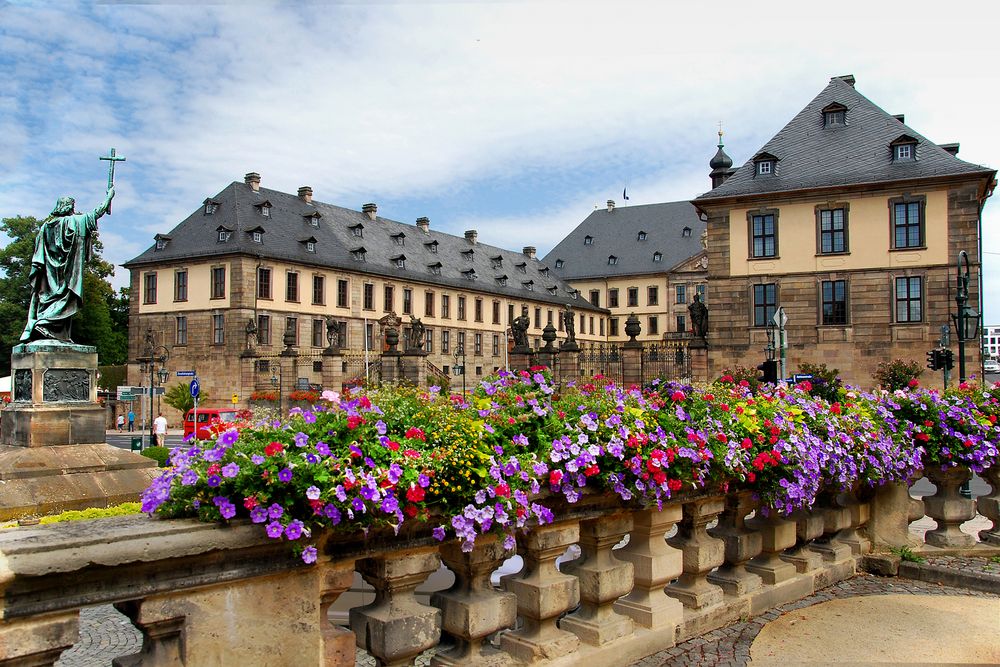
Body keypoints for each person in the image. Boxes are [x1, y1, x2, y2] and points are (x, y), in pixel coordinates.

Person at [20, 187, 114, 343]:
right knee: (65, 300)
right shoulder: (75, 221)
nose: (73, 209)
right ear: (68, 207)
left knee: (49, 300)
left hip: (48, 276)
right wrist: (108, 198)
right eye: (72, 206)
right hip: (67, 275)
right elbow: (96, 213)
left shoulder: (45, 227)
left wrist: (38, 270)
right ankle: (43, 323)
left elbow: (38, 256)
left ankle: (58, 334)